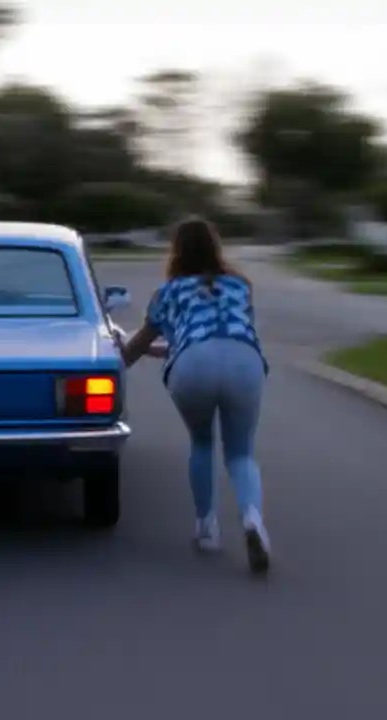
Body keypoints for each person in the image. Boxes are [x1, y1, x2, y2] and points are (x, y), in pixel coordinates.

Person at [118, 217, 272, 574]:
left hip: (193, 364)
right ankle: (252, 519)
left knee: (202, 443)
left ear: (177, 251)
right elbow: (218, 332)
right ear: (215, 247)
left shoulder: (168, 293)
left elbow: (142, 347)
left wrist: (115, 362)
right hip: (244, 359)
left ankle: (207, 528)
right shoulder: (239, 285)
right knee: (241, 453)